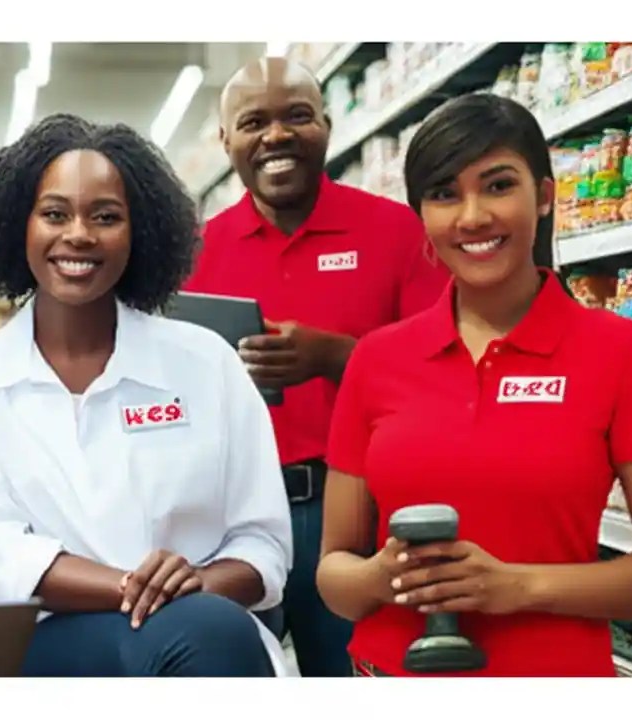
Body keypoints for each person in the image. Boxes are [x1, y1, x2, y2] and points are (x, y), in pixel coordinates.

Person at [316, 93, 632, 677]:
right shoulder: (377, 360)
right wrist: (385, 575)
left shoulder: (624, 356)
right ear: (421, 214)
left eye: (498, 185)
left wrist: (516, 586)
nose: (472, 216)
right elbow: (334, 577)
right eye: (444, 194)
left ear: (545, 195)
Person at [0, 113, 293, 677]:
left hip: (202, 640)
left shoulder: (207, 365)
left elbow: (263, 544)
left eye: (106, 216)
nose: (79, 234)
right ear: (19, 226)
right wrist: (136, 588)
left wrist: (195, 586)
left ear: (142, 231)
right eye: (54, 214)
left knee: (207, 632)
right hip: (46, 648)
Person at [182, 56, 451, 676]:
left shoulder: (397, 231)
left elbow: (442, 377)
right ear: (227, 142)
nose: (276, 136)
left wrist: (336, 357)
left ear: (327, 124)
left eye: (297, 116)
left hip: (360, 515)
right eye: (253, 122)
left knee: (355, 674)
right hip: (233, 519)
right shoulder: (195, 255)